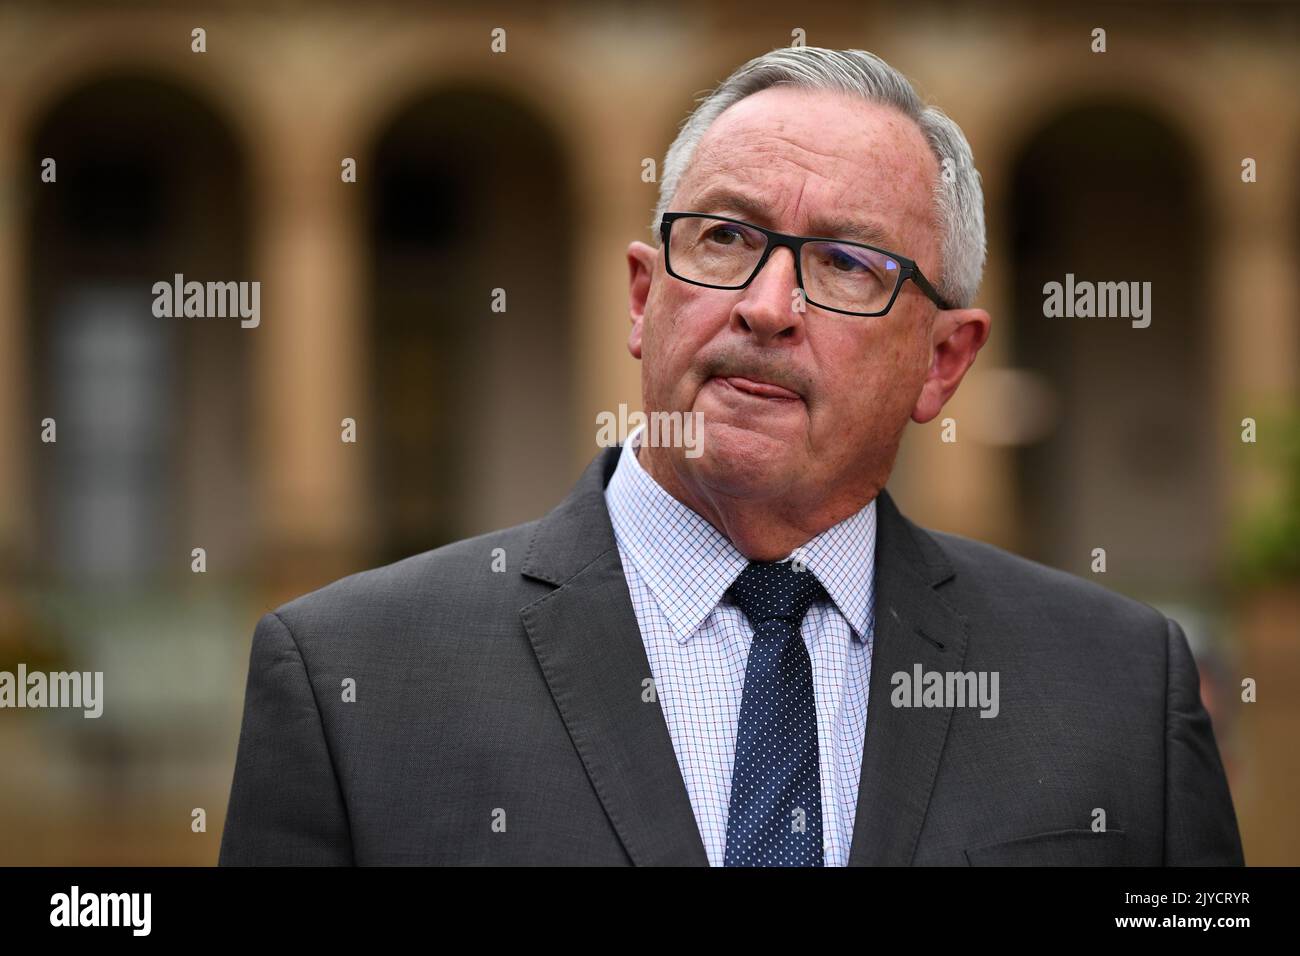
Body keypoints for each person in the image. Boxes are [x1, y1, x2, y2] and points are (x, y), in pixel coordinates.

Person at [219, 46, 1243, 866]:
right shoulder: (350, 679)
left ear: (943, 361)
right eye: (723, 237)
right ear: (640, 295)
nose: (764, 306)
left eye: (845, 263)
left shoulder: (1115, 690)